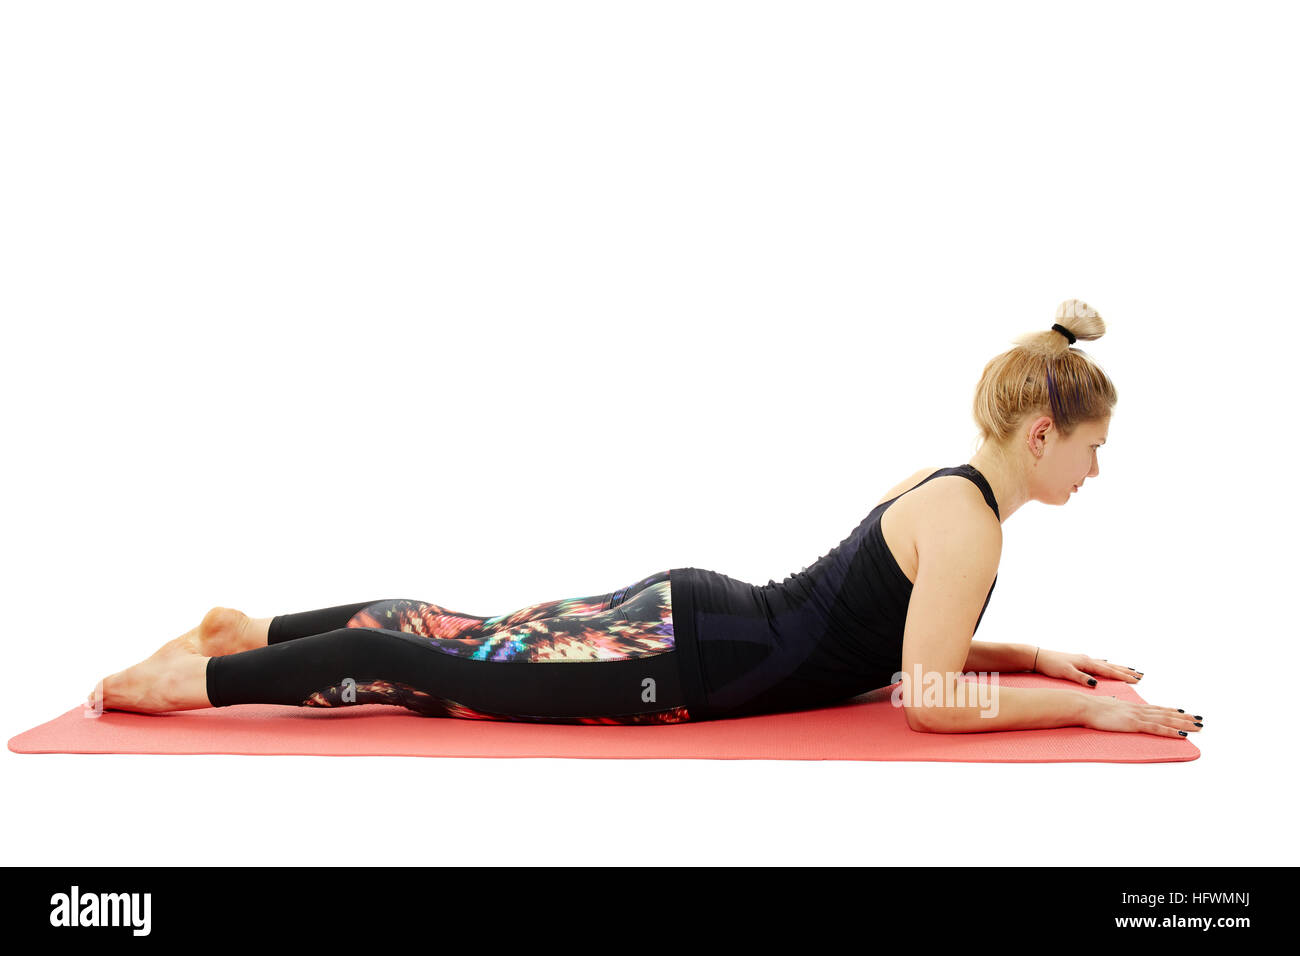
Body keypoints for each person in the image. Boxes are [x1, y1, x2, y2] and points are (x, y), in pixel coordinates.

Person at [88, 299, 1203, 739]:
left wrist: (1031, 651)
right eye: (1095, 447)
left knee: (459, 625)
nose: (1098, 471)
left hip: (693, 615)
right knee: (433, 668)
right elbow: (924, 695)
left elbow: (888, 633)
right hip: (680, 661)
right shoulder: (975, 528)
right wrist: (1084, 713)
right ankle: (188, 683)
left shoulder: (951, 489)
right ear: (1042, 432)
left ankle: (255, 626)